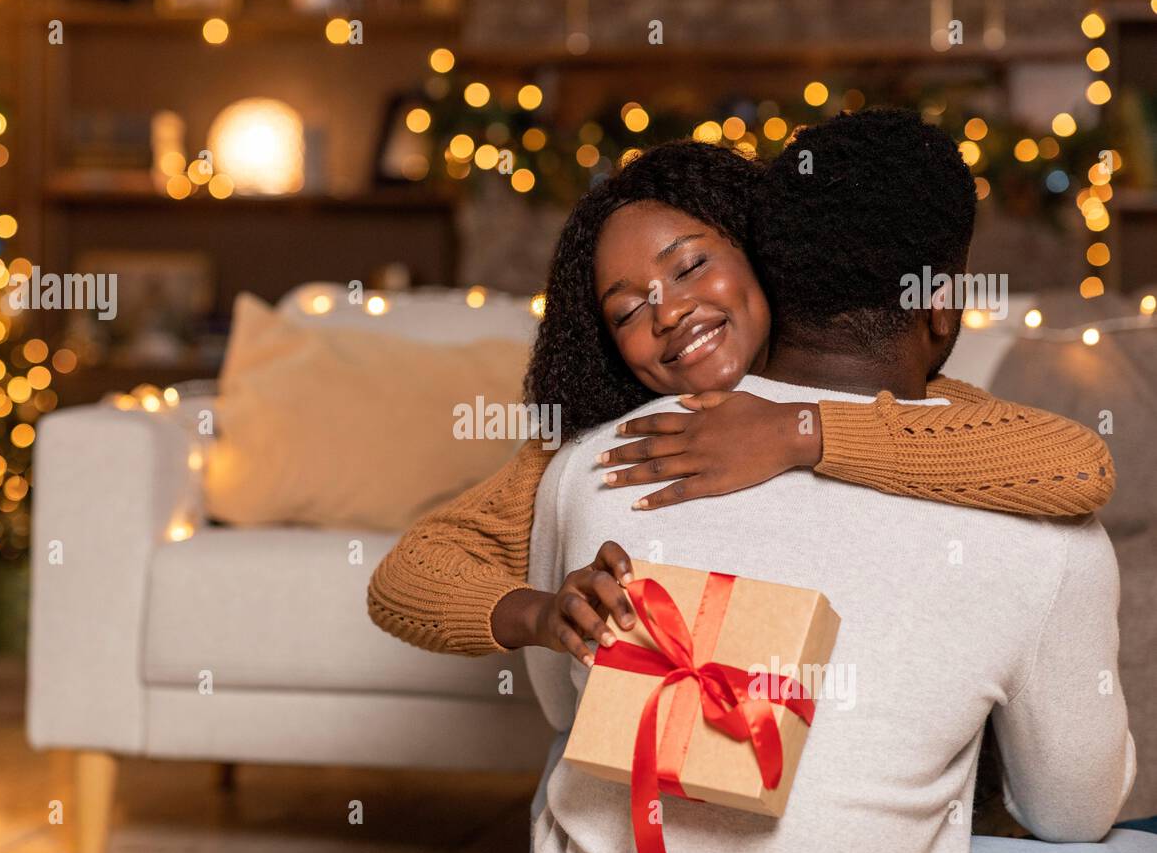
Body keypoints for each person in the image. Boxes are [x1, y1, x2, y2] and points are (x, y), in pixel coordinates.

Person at [526, 109, 1135, 853]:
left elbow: (561, 702)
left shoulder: (594, 464)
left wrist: (805, 432)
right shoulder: (1046, 534)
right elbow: (1072, 813)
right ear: (941, 307)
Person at [368, 137, 1113, 666]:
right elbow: (407, 574)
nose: (668, 313)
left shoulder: (880, 387)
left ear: (758, 254)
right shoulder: (607, 447)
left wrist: (797, 433)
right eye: (628, 311)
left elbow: (1077, 468)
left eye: (691, 265)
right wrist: (539, 613)